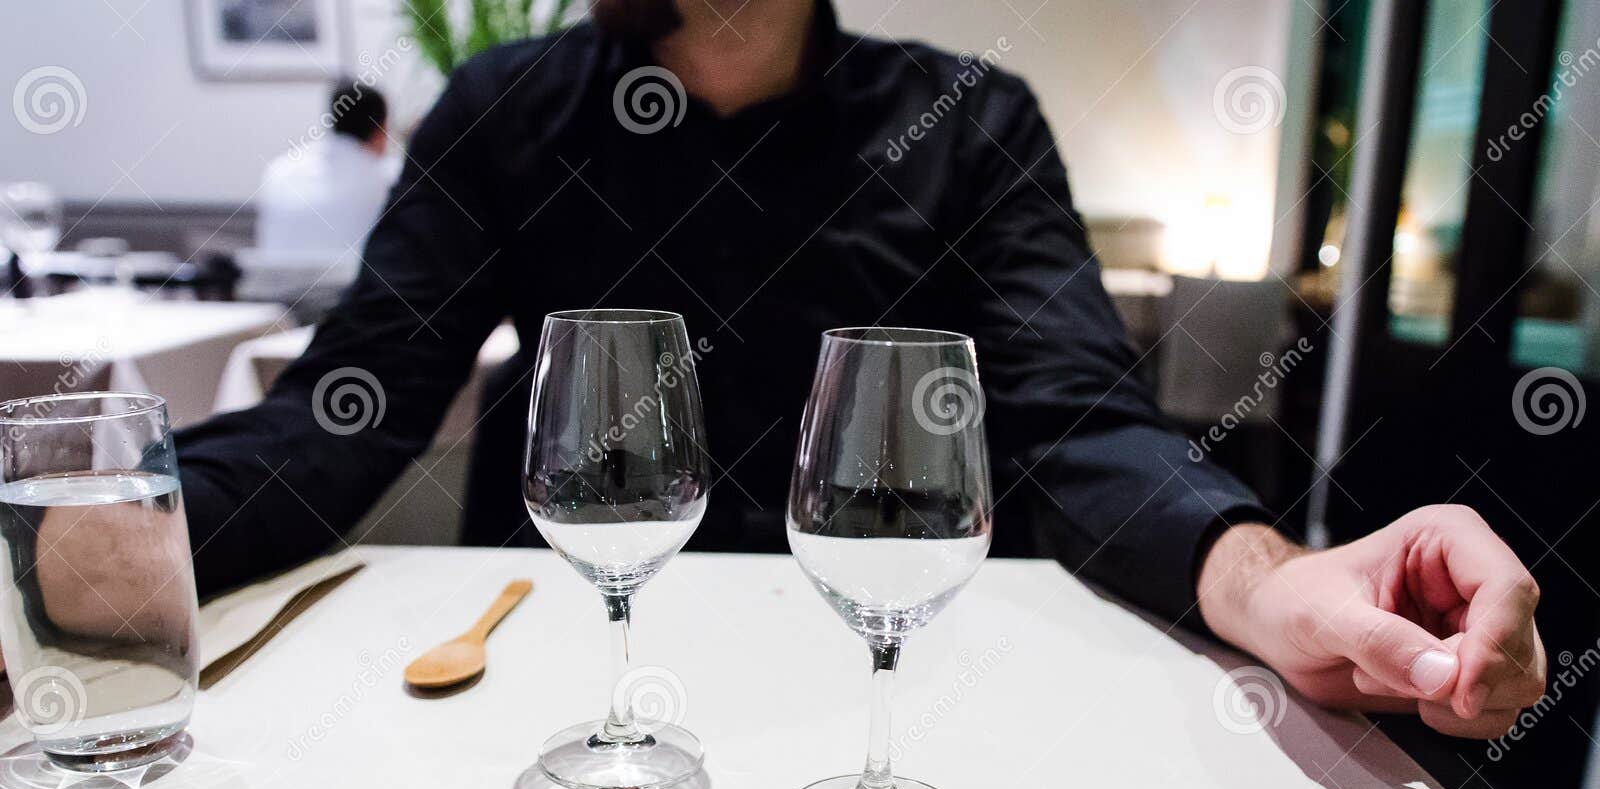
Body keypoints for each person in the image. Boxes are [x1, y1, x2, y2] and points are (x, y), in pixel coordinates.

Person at [162, 0, 1540, 740]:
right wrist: (109, 535)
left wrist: (1273, 579)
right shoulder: (505, 110)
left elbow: (1078, 429)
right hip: (565, 690)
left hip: (899, 702)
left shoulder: (968, 123)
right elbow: (344, 415)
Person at [252, 78, 401, 260]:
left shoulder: (279, 170)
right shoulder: (389, 178)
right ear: (381, 129)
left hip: (275, 277)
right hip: (352, 277)